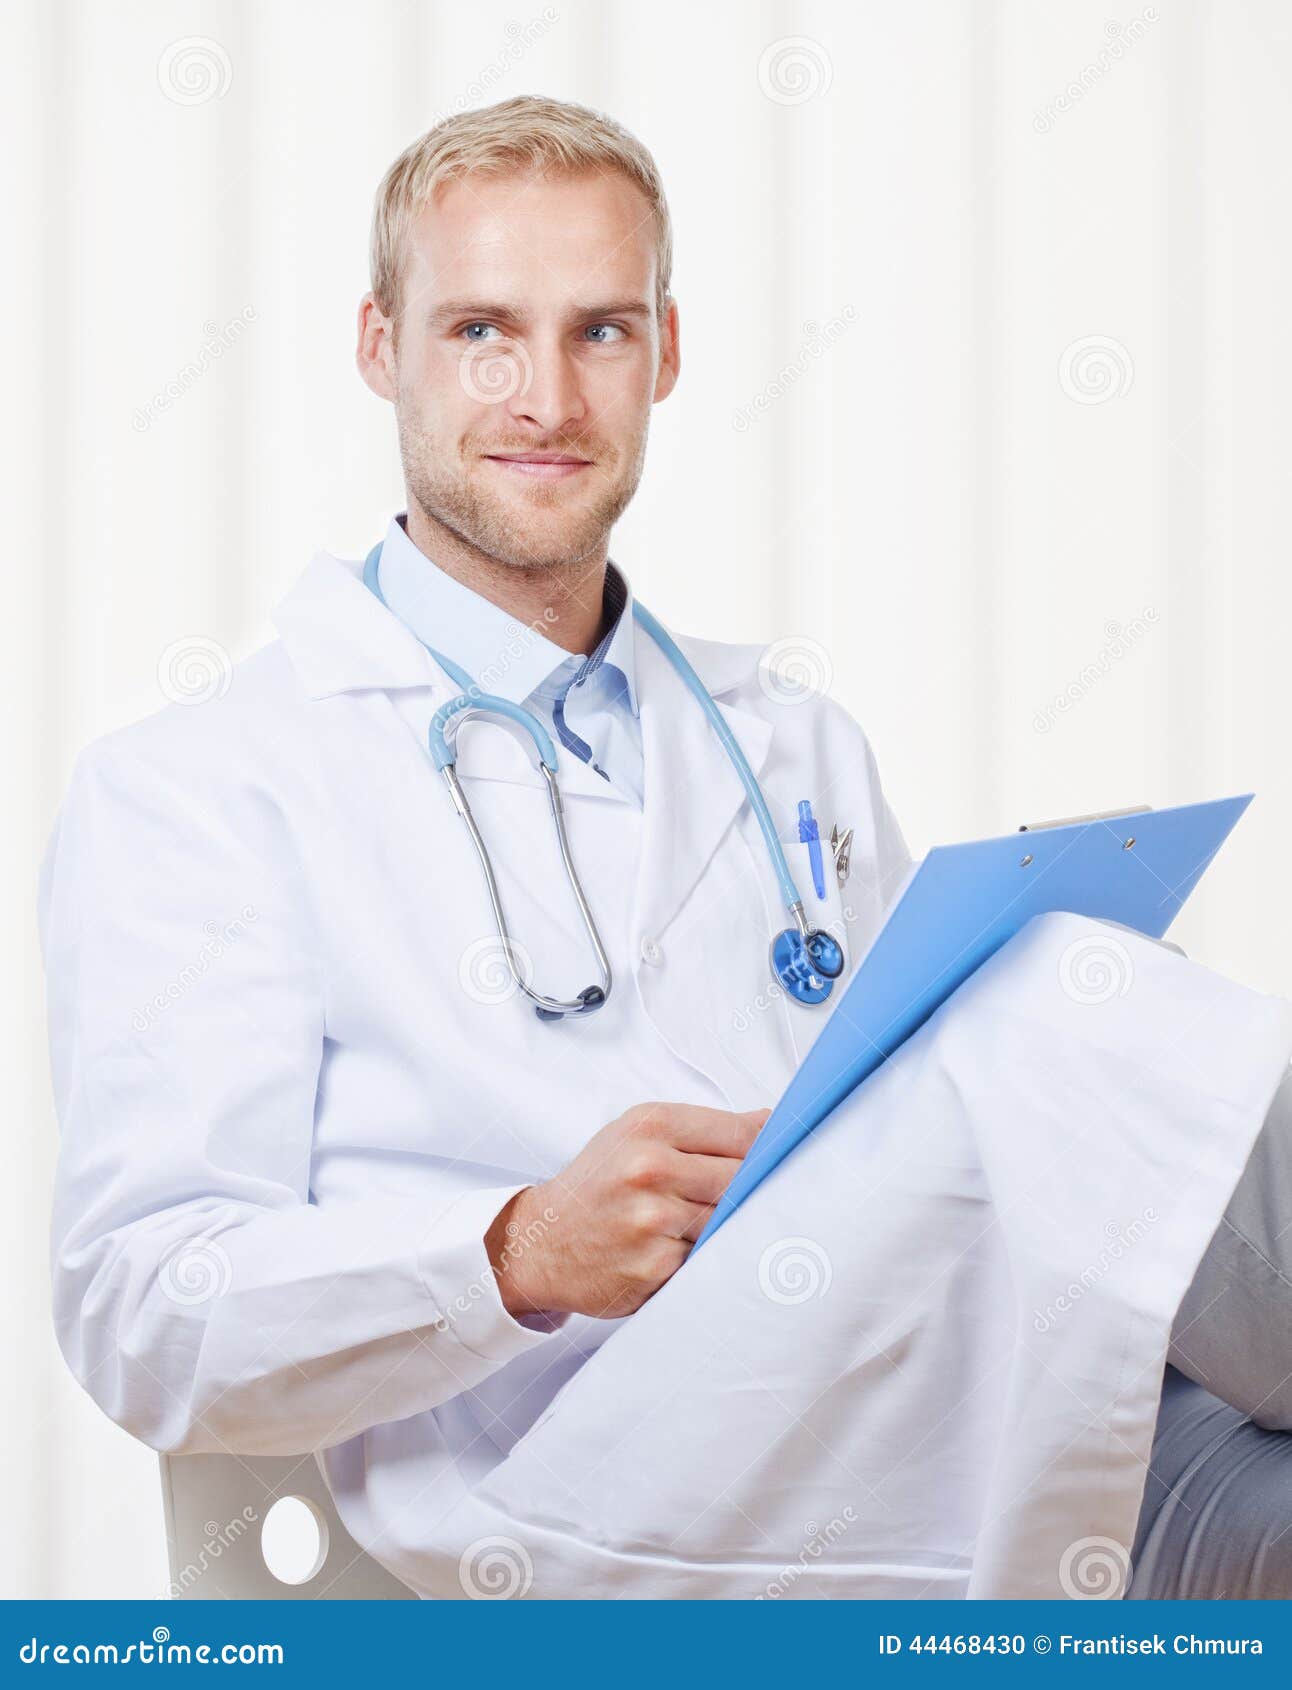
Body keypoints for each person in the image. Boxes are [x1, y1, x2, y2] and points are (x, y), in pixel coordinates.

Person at [40, 95, 1292, 1599]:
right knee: (1055, 1013)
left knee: (1043, 1027)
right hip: (601, 1499)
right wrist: (512, 1250)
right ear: (380, 347)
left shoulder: (788, 737)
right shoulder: (200, 785)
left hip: (977, 1429)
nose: (548, 397)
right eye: (482, 331)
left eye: (603, 332)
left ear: (669, 352)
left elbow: (912, 1132)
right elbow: (140, 1309)